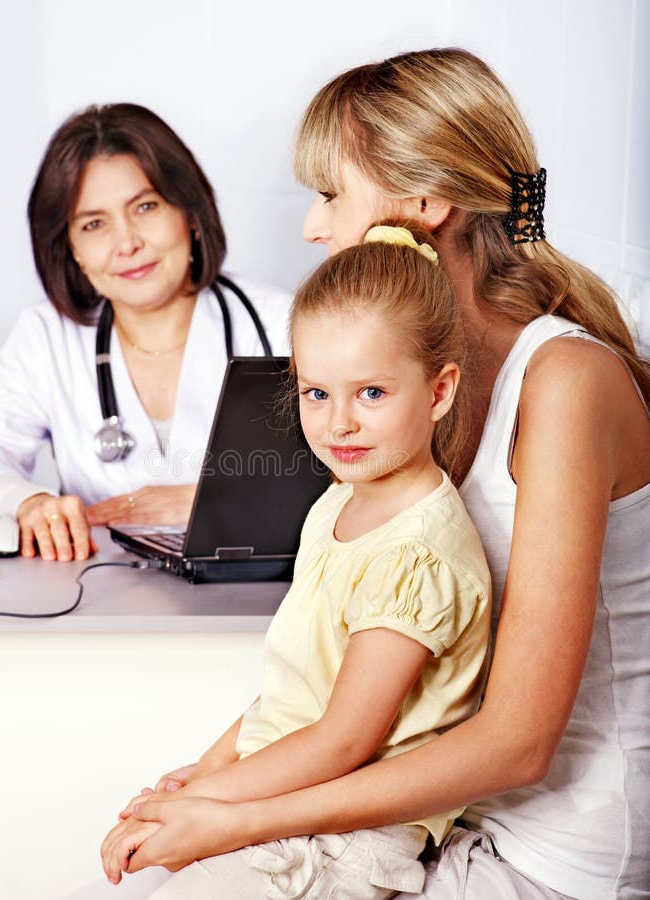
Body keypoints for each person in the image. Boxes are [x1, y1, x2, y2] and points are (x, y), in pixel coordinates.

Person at [83, 48, 650, 900]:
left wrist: (233, 819)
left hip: (558, 855)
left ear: (422, 205)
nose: (313, 227)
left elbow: (518, 744)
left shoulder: (565, 382)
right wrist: (207, 780)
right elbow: (337, 655)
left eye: (329, 193)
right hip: (452, 822)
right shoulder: (414, 396)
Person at [100, 222, 492, 898]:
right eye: (316, 393)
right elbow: (292, 691)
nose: (337, 422)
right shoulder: (334, 505)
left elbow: (343, 740)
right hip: (282, 789)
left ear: (438, 391)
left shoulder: (417, 554)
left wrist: (209, 805)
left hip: (346, 833)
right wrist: (204, 770)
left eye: (370, 393)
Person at [0, 103, 291, 561]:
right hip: (92, 604)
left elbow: (353, 473)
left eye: (146, 206)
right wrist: (28, 504)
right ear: (72, 249)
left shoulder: (280, 322)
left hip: (255, 606)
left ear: (190, 214)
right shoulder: (47, 337)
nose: (127, 243)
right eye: (94, 224)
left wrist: (209, 500)